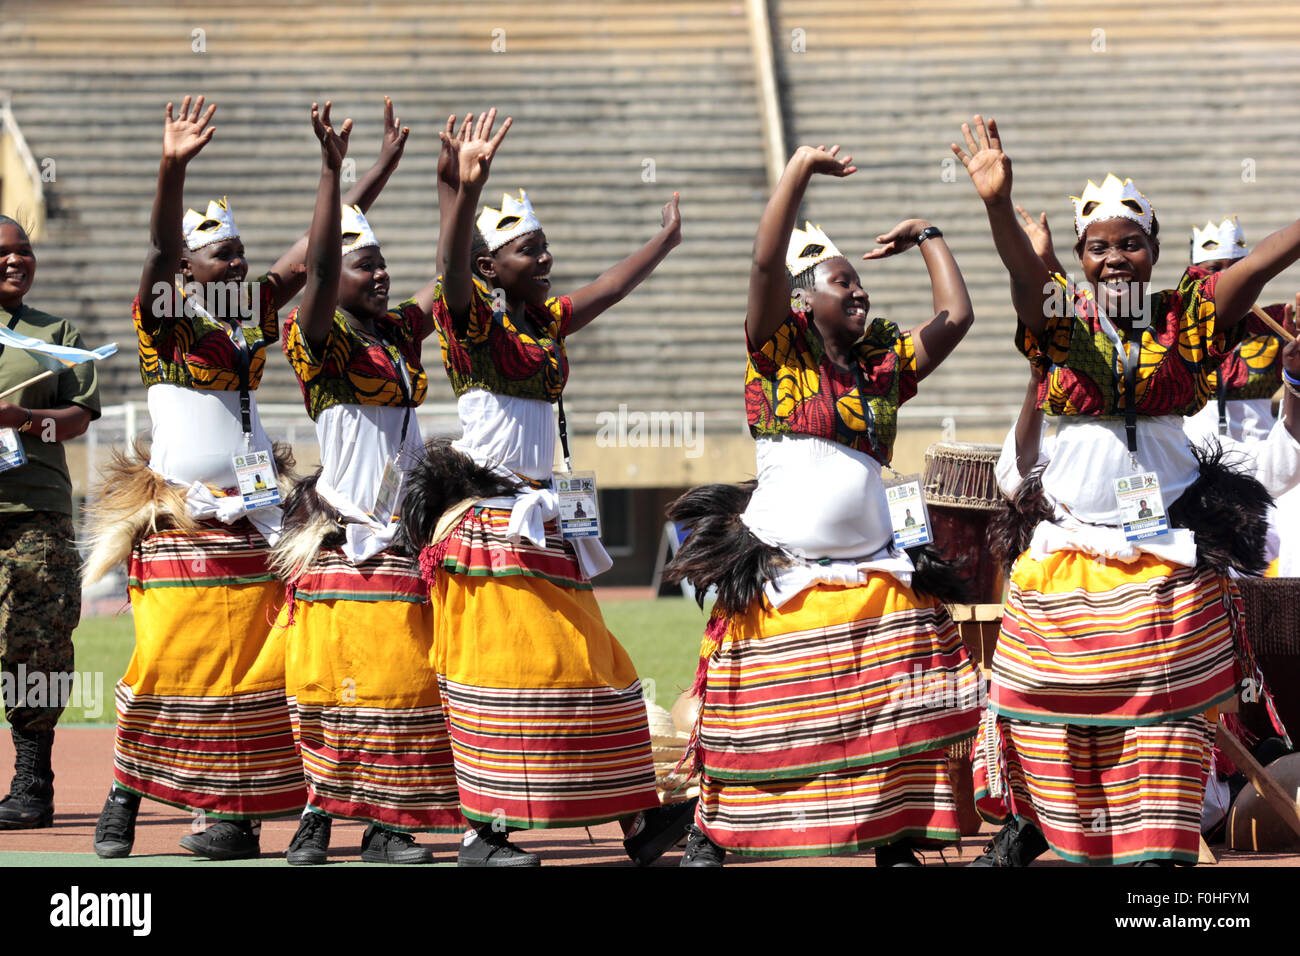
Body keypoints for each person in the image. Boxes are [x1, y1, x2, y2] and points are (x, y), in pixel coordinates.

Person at [953, 114, 1300, 865]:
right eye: (1099, 247)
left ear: (1156, 250)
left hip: (1168, 558)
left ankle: (1161, 861)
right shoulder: (1059, 318)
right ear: (1079, 258)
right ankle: (1044, 831)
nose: (1115, 259)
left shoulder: (1191, 315)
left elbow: (1264, 263)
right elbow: (1022, 275)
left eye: (1131, 243)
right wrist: (995, 206)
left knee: (1169, 724)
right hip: (1070, 553)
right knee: (1045, 710)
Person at [85, 94, 406, 860]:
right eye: (219, 256)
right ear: (190, 272)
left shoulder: (254, 311)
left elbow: (321, 249)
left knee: (265, 672)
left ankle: (234, 820)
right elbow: (159, 249)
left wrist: (361, 169)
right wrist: (174, 166)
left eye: (239, 251)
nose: (236, 263)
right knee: (172, 662)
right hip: (180, 517)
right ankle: (126, 790)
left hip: (259, 520)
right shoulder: (163, 318)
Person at [663, 144, 981, 866]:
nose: (861, 293)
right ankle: (710, 833)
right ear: (807, 300)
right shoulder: (780, 351)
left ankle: (894, 834)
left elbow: (956, 317)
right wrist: (799, 169)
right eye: (846, 284)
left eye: (863, 284)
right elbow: (765, 265)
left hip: (874, 573)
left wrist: (929, 233)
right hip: (783, 570)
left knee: (894, 707)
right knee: (754, 717)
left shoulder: (881, 368)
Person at [400, 110, 695, 867]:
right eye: (530, 247)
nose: (548, 256)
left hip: (541, 518)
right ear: (491, 267)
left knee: (597, 663)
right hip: (487, 519)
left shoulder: (545, 325)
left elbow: (610, 289)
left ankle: (638, 818)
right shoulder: (468, 321)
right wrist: (466, 189)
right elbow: (450, 264)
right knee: (503, 670)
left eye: (545, 244)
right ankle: (482, 834)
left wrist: (664, 243)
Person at [271, 102, 459, 865]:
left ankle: (387, 823)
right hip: (343, 529)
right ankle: (319, 815)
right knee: (329, 681)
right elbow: (314, 269)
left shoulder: (399, 333)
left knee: (400, 683)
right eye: (365, 265)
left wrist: (455, 185)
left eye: (383, 264)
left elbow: (448, 281)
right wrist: (333, 170)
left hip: (403, 531)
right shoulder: (315, 338)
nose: (380, 276)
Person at [0, 214, 101, 829]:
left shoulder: (55, 333)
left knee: (33, 648)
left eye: (25, 251)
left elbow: (78, 417)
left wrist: (24, 420)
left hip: (33, 513)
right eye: (2, 253)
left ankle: (31, 783)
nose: (16, 261)